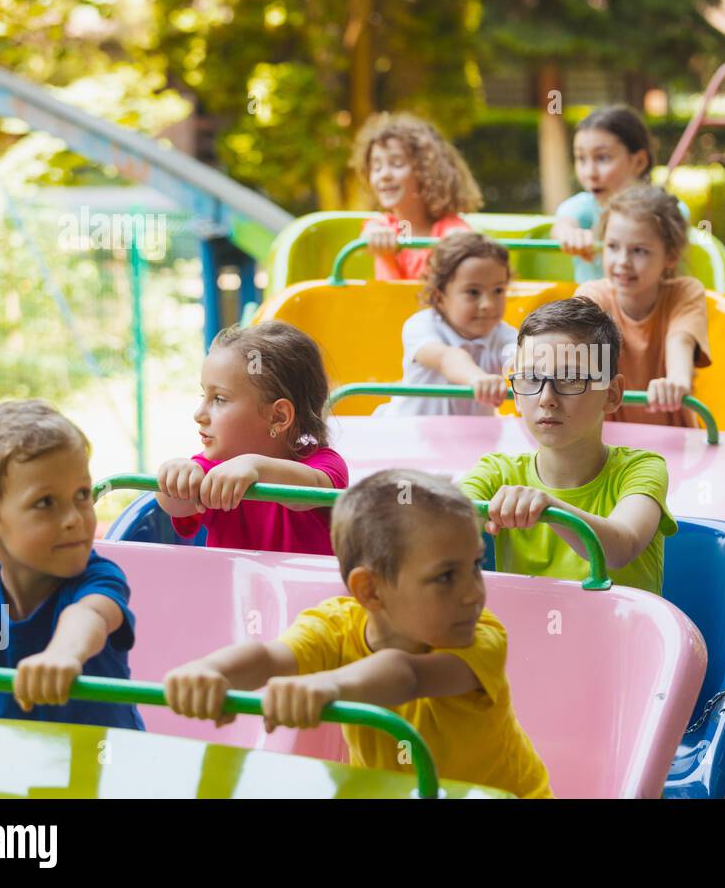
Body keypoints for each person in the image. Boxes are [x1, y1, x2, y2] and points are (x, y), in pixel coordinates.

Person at [163, 469, 553, 798]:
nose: (474, 592)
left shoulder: (481, 636)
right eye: (447, 576)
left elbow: (406, 674)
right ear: (370, 590)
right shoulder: (335, 625)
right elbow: (269, 658)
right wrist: (211, 673)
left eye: (475, 566)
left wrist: (326, 687)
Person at [0, 400, 143, 729]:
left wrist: (64, 654)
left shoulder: (96, 577)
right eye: (46, 502)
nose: (75, 518)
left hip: (105, 765)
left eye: (82, 494)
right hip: (19, 764)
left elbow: (89, 616)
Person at [460, 298, 677, 594]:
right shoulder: (496, 472)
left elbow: (621, 547)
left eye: (571, 379)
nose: (547, 397)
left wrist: (549, 508)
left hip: (621, 638)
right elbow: (445, 527)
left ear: (612, 394)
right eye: (531, 378)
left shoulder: (642, 468)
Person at [156, 321, 348, 555]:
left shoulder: (324, 465)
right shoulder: (212, 468)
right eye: (203, 395)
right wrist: (176, 475)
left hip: (313, 592)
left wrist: (254, 465)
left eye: (219, 399)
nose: (199, 415)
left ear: (278, 416)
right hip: (236, 591)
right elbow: (176, 506)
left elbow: (310, 493)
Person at [577, 184, 711, 428]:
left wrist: (676, 381)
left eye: (639, 251)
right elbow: (568, 348)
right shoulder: (593, 296)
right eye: (613, 247)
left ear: (670, 255)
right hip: (606, 442)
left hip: (671, 437)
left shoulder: (684, 294)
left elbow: (680, 341)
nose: (623, 262)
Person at [378, 231, 517, 417]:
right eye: (473, 292)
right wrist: (478, 379)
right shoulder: (421, 325)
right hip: (409, 431)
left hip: (470, 436)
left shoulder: (504, 335)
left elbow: (522, 357)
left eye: (498, 290)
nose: (488, 304)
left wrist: (525, 364)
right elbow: (446, 358)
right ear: (440, 297)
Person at [550, 105, 689, 283]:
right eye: (581, 158)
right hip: (593, 309)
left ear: (639, 161)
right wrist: (570, 236)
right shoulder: (582, 207)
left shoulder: (669, 211)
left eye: (602, 158)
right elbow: (563, 226)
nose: (589, 172)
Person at [350, 112, 483, 281]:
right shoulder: (385, 226)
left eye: (396, 163)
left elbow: (462, 239)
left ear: (426, 173)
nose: (384, 175)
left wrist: (460, 244)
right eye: (376, 167)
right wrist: (375, 236)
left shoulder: (448, 227)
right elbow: (371, 232)